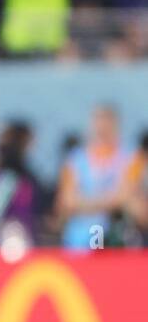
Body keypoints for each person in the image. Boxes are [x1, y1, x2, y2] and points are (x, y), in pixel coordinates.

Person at [56, 104, 136, 249]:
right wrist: (109, 200)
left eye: (107, 123)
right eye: (99, 123)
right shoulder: (76, 159)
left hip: (116, 241)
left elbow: (126, 196)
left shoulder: (130, 158)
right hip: (79, 241)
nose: (102, 129)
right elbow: (67, 201)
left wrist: (84, 202)